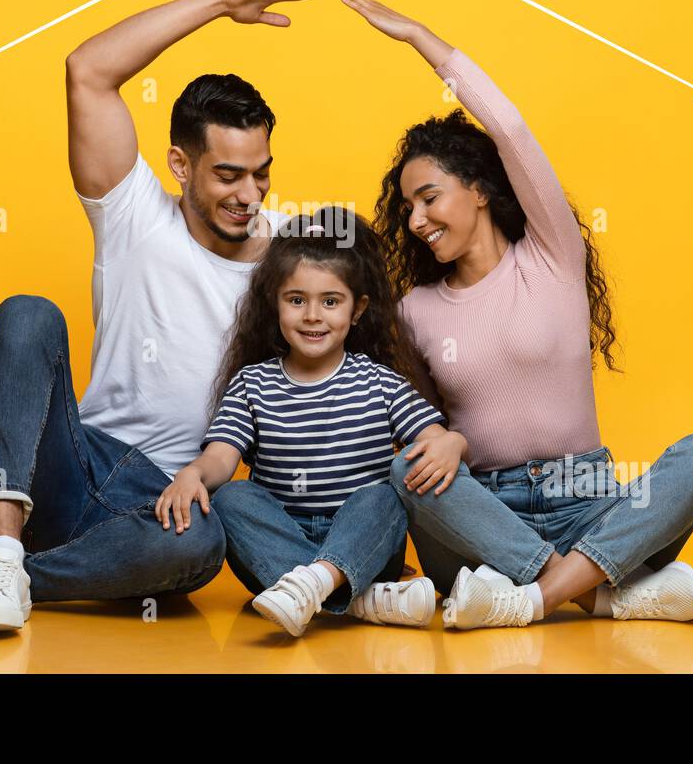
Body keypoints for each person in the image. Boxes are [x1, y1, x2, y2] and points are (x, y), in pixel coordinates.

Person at [0, 0, 335, 632]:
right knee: (27, 314)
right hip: (77, 463)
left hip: (170, 503)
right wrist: (223, 4)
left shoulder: (293, 252)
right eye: (227, 175)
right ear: (179, 163)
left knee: (200, 549)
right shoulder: (133, 211)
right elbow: (87, 69)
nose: (248, 194)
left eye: (262, 173)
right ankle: (4, 544)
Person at [331, 0, 693, 629]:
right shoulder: (415, 310)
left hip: (589, 497)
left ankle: (536, 598)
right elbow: (418, 430)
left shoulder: (552, 253)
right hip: (485, 515)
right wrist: (449, 442)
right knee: (407, 469)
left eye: (428, 196)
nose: (415, 219)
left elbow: (509, 126)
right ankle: (602, 590)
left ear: (480, 188)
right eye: (406, 207)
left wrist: (419, 39)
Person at [155, 207, 467, 637]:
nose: (313, 316)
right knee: (232, 498)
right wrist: (193, 473)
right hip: (278, 541)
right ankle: (362, 602)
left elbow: (434, 439)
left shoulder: (379, 382)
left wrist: (453, 442)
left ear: (357, 310)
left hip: (364, 542)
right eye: (297, 300)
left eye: (331, 302)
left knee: (384, 498)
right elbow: (220, 458)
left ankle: (317, 586)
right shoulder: (253, 384)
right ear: (275, 303)